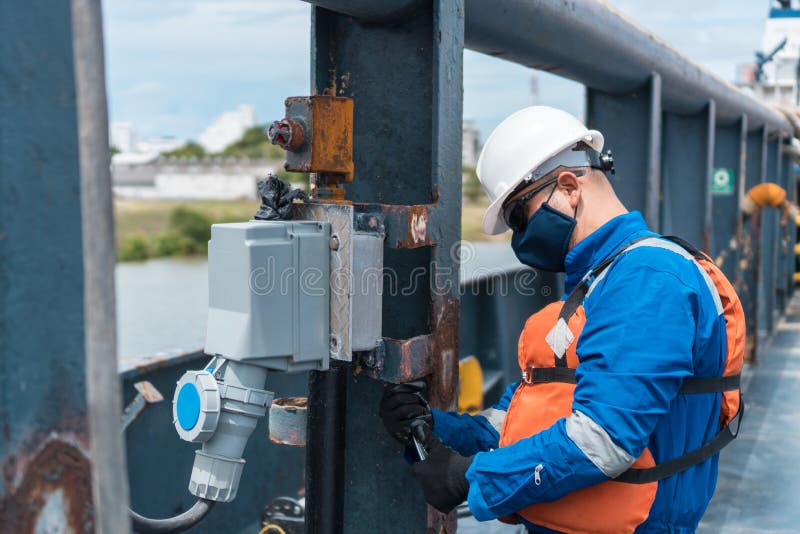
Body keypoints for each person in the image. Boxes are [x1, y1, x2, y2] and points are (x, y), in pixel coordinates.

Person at [379, 106, 744, 533]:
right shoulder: (606, 277)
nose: (520, 236)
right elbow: (537, 411)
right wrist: (437, 428)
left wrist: (469, 478)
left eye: (519, 215)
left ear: (569, 186)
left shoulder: (647, 281)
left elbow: (603, 439)